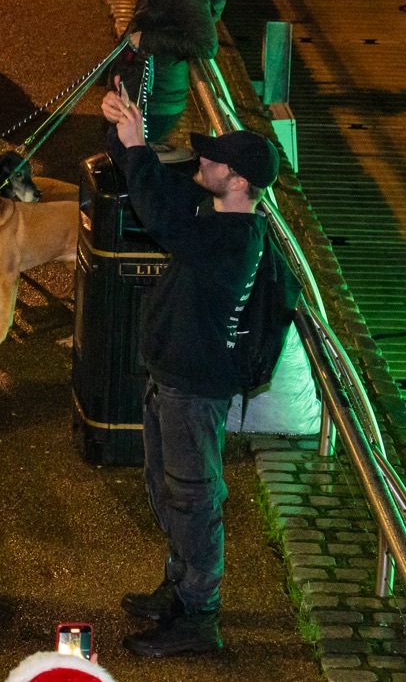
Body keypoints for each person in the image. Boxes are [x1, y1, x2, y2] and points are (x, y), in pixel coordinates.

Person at [100, 88, 273, 657]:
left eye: (214, 159)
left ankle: (199, 615)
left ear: (239, 181)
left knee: (195, 501)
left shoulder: (231, 239)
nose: (203, 159)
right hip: (170, 380)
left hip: (194, 392)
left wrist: (137, 150)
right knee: (167, 490)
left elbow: (161, 217)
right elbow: (158, 194)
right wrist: (126, 138)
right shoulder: (214, 216)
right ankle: (179, 588)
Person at [117, 0, 226, 142]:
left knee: (129, 153)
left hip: (155, 94)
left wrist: (148, 39)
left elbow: (206, 45)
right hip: (147, 85)